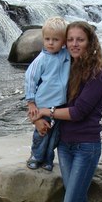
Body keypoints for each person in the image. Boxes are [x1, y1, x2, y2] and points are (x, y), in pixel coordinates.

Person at [33, 20, 102, 202]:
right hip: (65, 146)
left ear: (90, 43)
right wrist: (35, 112)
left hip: (86, 147)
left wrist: (47, 111)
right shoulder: (66, 67)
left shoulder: (99, 74)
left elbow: (78, 112)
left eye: (80, 39)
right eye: (70, 39)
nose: (74, 44)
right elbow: (43, 89)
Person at [24, 16, 71, 172]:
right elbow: (30, 79)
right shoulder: (41, 59)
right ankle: (36, 156)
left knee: (55, 136)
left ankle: (48, 158)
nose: (51, 43)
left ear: (63, 41)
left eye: (55, 40)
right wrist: (31, 102)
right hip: (43, 103)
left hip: (60, 105)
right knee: (42, 132)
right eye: (47, 39)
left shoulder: (66, 55)